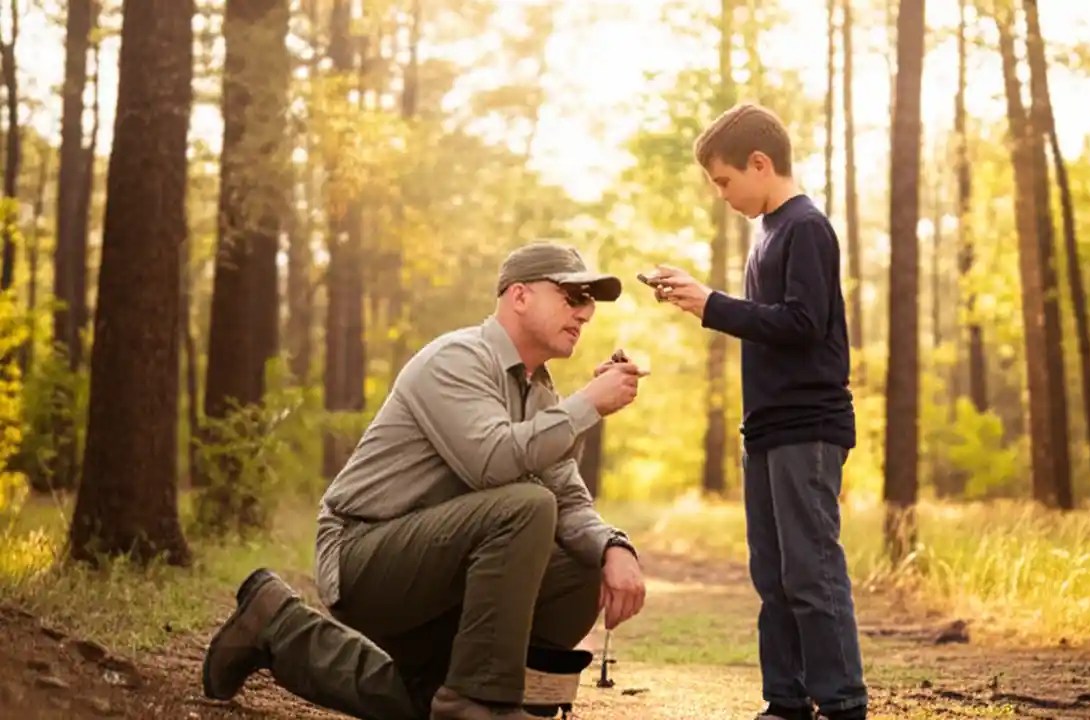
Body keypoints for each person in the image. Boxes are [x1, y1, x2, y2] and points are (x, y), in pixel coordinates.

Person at [201, 242, 649, 720]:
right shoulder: (457, 359)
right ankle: (482, 700)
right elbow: (492, 462)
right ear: (519, 296)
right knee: (527, 506)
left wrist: (612, 546)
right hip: (365, 553)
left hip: (446, 571)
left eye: (590, 302)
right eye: (572, 296)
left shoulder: (540, 393)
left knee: (578, 566)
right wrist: (587, 405)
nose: (585, 313)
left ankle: (276, 625)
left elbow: (567, 498)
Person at [645, 103, 868, 720]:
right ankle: (786, 700)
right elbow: (769, 325)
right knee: (772, 576)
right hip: (766, 428)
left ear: (761, 163)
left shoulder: (806, 227)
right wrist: (704, 298)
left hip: (808, 425)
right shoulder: (765, 232)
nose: (721, 195)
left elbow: (802, 324)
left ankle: (843, 702)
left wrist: (712, 304)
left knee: (811, 570)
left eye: (724, 180)